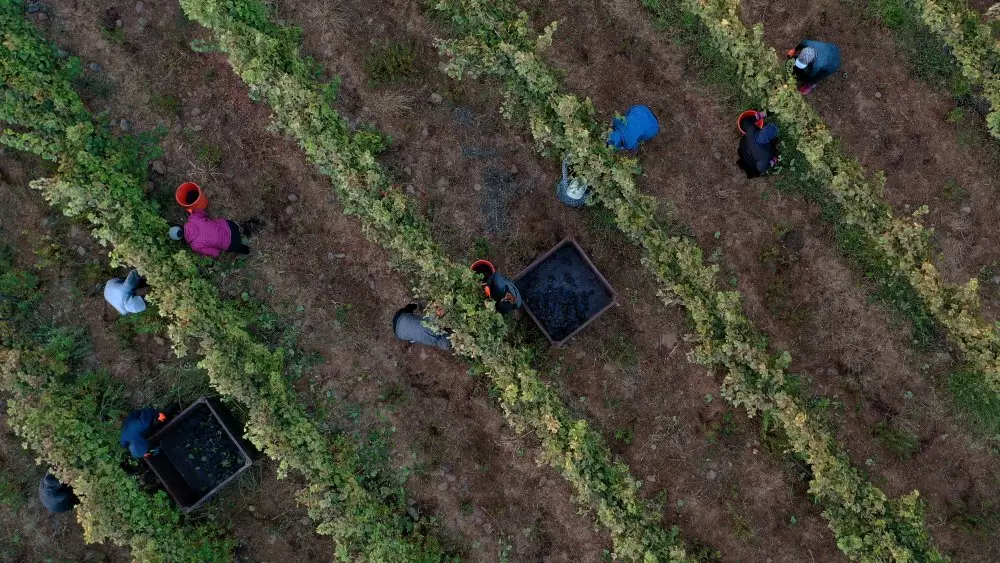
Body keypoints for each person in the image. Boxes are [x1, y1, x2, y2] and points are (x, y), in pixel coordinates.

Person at [168, 209, 250, 258]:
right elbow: (202, 212)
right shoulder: (192, 219)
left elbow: (215, 253)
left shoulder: (195, 246)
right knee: (232, 227)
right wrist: (193, 211)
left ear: (180, 239)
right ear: (179, 227)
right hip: (229, 225)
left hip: (232, 243)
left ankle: (248, 250)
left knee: (237, 247)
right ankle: (243, 228)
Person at [736, 111, 780, 179]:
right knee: (771, 131)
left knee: (764, 135)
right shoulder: (764, 158)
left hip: (751, 145)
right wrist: (773, 161)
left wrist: (762, 114)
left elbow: (744, 121)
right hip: (759, 155)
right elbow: (762, 168)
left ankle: (775, 129)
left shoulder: (750, 131)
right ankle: (776, 128)